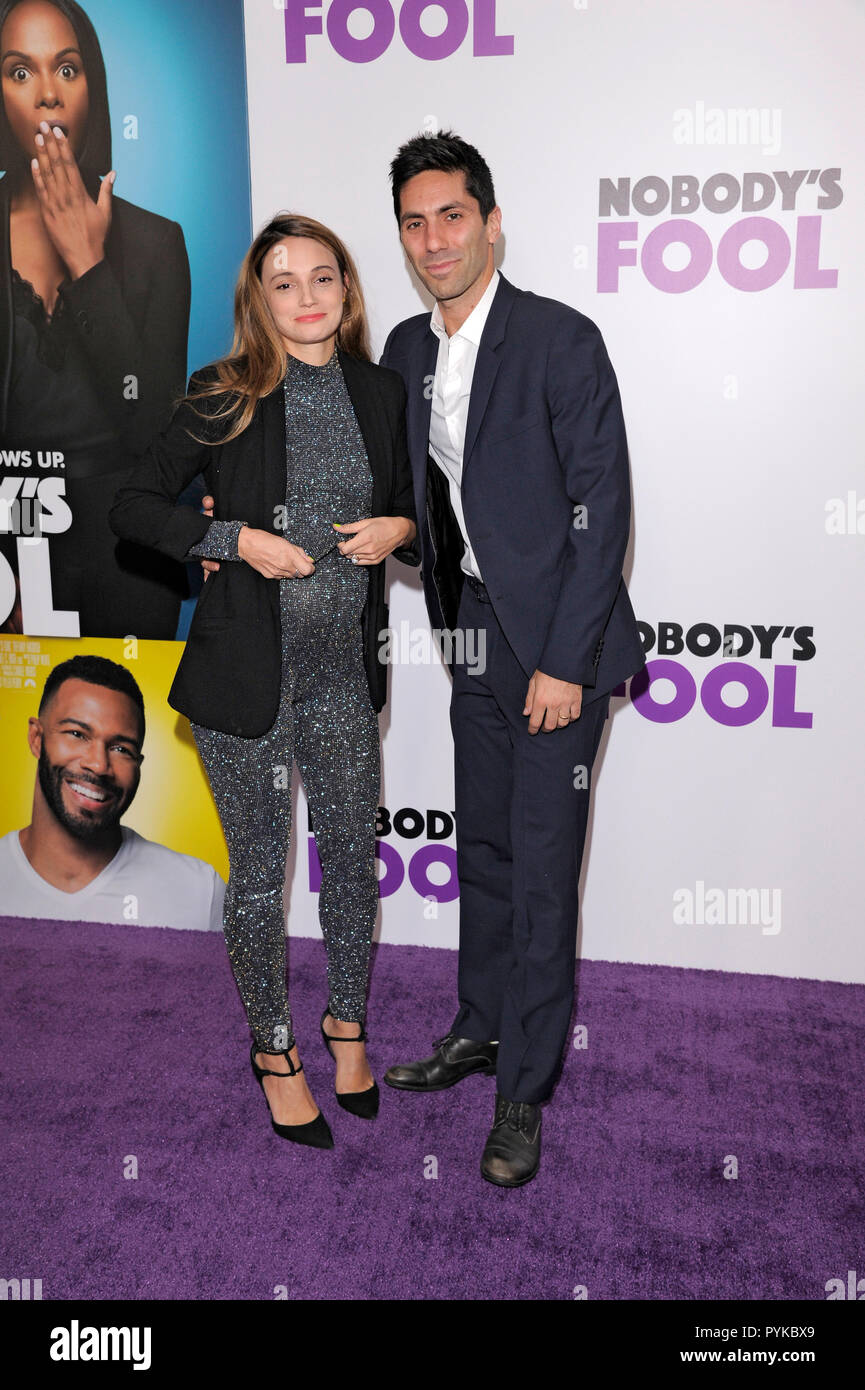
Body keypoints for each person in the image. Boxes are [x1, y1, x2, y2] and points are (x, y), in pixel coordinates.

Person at [109, 213, 418, 1150]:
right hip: (246, 682)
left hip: (341, 680)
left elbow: (416, 508)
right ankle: (275, 1052)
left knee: (353, 872)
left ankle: (347, 1028)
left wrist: (398, 532)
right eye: (283, 283)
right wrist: (231, 539)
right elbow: (129, 505)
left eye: (322, 277)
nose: (307, 297)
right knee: (258, 880)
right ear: (259, 298)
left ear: (348, 288)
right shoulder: (223, 395)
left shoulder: (381, 390)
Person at [380, 131, 646, 1187]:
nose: (434, 239)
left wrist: (564, 663)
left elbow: (604, 513)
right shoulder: (404, 349)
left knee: (539, 874)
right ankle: (478, 1029)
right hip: (472, 634)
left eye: (452, 215)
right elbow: (402, 494)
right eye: (414, 220)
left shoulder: (558, 340)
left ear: (491, 222)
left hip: (556, 654)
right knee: (483, 852)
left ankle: (524, 1090)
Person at [0, 0, 190, 638]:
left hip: (124, 562)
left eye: (68, 69)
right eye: (19, 71)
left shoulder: (157, 243)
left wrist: (88, 265)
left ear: (93, 89)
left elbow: (153, 430)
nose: (48, 95)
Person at [0, 653, 225, 930]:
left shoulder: (199, 893)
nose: (98, 764)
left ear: (139, 764)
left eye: (121, 749)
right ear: (37, 738)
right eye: (77, 734)